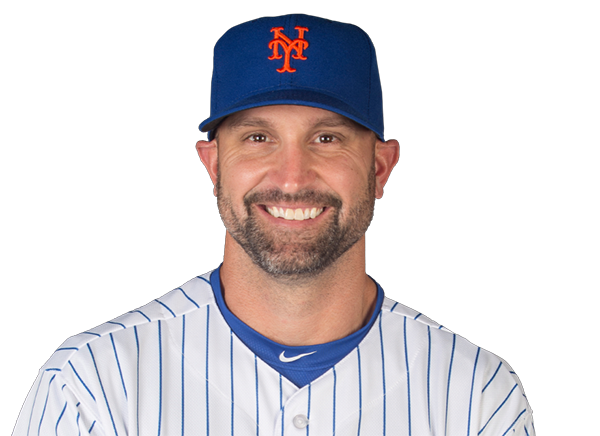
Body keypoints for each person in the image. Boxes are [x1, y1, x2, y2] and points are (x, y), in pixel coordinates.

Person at [13, 14, 534, 435]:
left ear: (380, 168)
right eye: (257, 138)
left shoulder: (476, 395)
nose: (291, 177)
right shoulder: (94, 384)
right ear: (214, 165)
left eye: (327, 138)